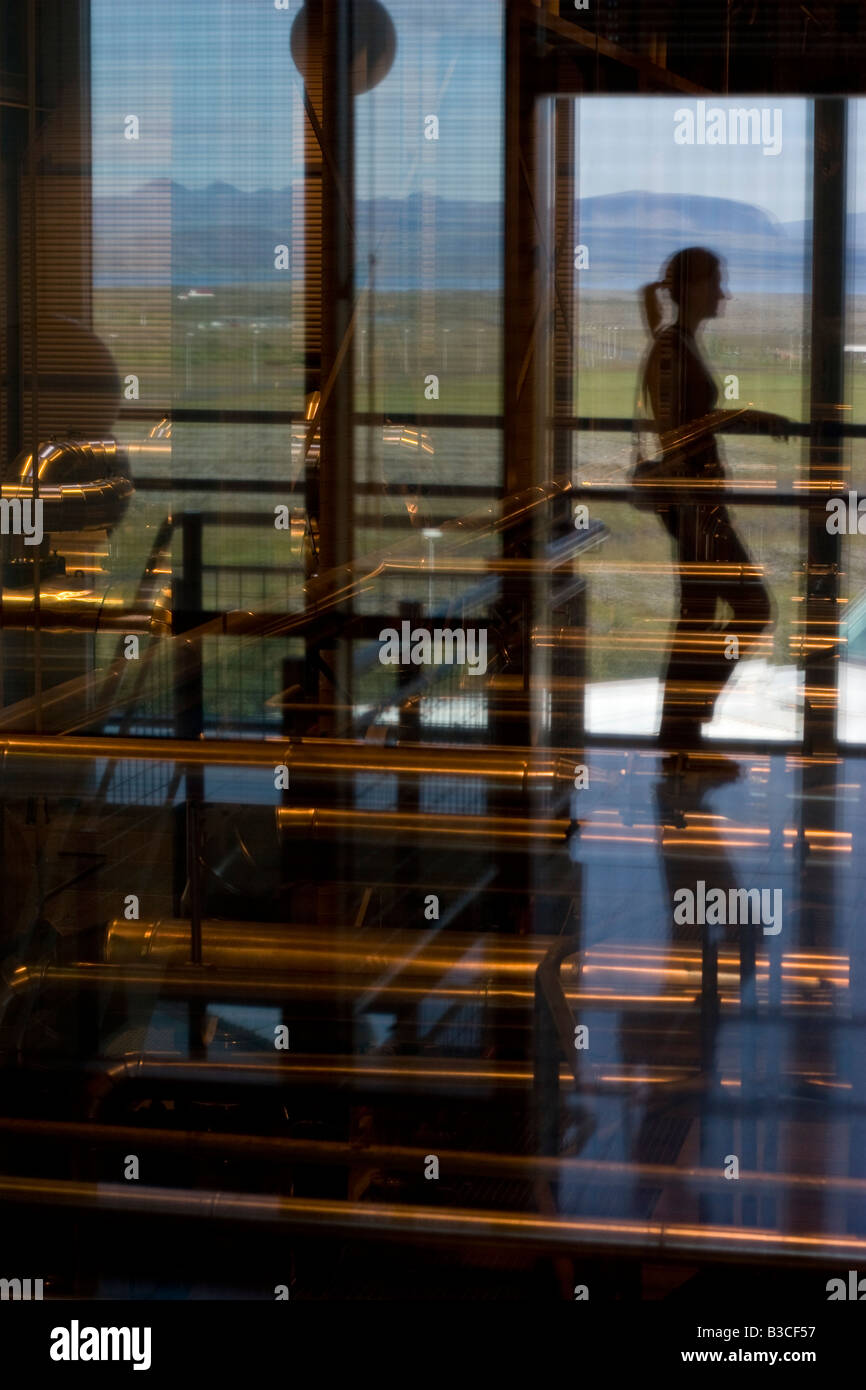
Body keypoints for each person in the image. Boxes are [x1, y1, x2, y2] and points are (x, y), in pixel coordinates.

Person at [638, 247, 790, 770]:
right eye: (716, 284)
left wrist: (747, 416)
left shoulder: (674, 345)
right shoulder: (672, 350)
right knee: (753, 608)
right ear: (692, 289)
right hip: (695, 506)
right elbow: (684, 432)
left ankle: (679, 740)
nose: (723, 294)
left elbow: (686, 424)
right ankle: (685, 728)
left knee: (697, 616)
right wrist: (750, 417)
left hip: (692, 505)